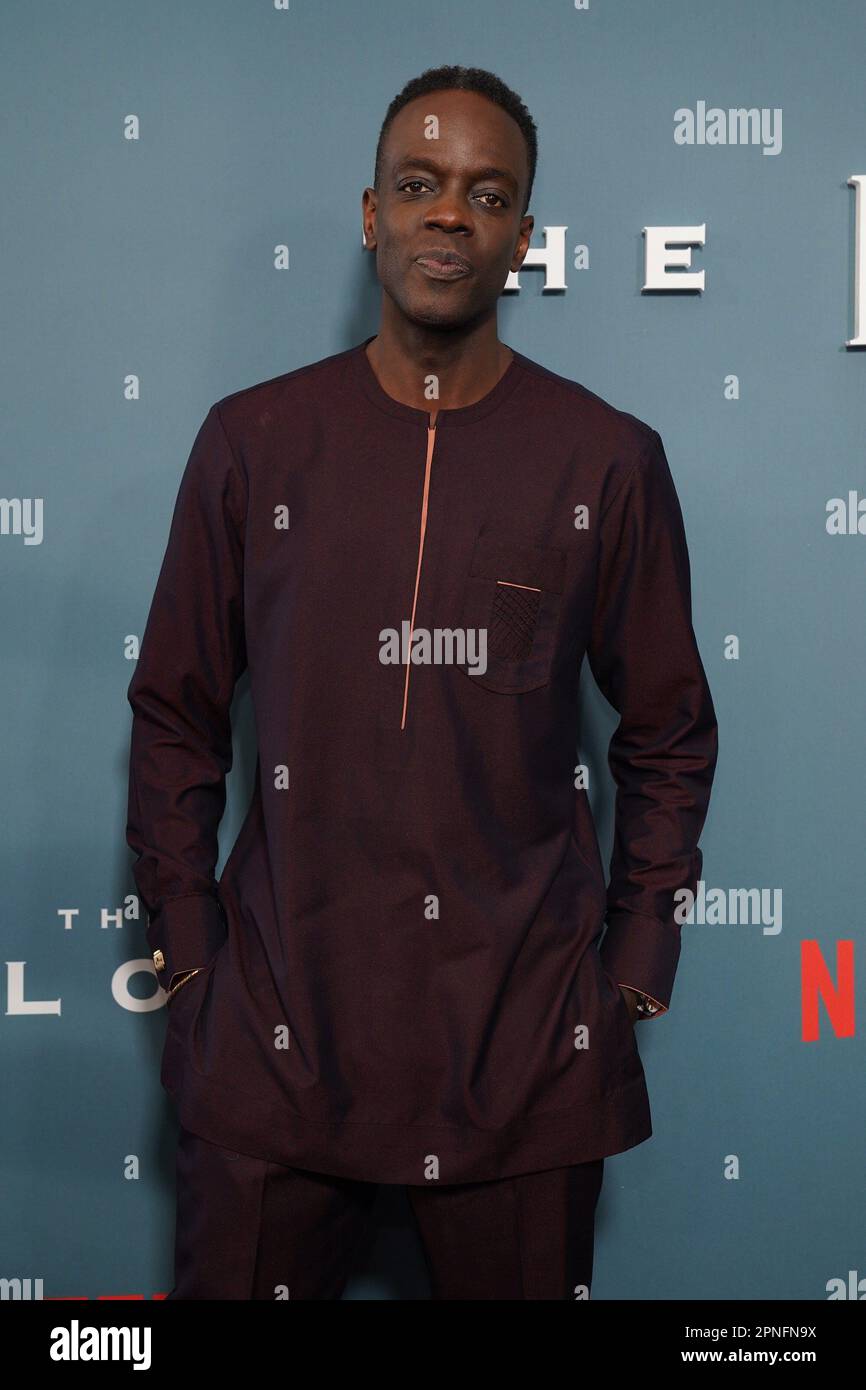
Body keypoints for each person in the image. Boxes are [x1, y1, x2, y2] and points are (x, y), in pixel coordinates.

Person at [126, 63, 718, 1300]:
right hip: (275, 1041)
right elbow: (176, 714)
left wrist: (632, 967)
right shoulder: (253, 442)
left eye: (485, 194)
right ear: (369, 215)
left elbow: (666, 730)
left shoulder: (606, 460)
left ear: (521, 238)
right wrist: (190, 957)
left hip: (522, 1049)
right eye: (419, 185)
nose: (449, 214)